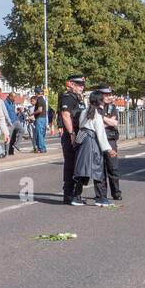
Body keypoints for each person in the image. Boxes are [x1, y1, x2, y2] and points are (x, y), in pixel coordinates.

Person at [71, 88, 115, 206]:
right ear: (100, 101)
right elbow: (100, 134)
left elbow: (81, 126)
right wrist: (108, 149)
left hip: (82, 140)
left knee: (81, 170)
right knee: (97, 170)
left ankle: (76, 197)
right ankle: (101, 198)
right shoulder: (97, 114)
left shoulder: (85, 111)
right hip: (92, 142)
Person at [58, 74, 87, 204]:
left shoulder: (78, 98)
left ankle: (76, 194)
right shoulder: (68, 97)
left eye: (82, 85)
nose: (82, 87)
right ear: (72, 85)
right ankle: (69, 195)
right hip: (72, 135)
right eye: (79, 85)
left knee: (79, 164)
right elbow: (65, 115)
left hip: (80, 134)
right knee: (71, 165)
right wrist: (71, 134)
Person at [95, 84, 122, 201]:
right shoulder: (94, 107)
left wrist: (101, 119)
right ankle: (101, 195)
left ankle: (116, 193)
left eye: (109, 94)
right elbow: (94, 123)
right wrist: (106, 121)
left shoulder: (112, 108)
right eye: (105, 94)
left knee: (113, 168)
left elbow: (114, 123)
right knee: (99, 169)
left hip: (110, 139)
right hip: (97, 140)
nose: (108, 96)